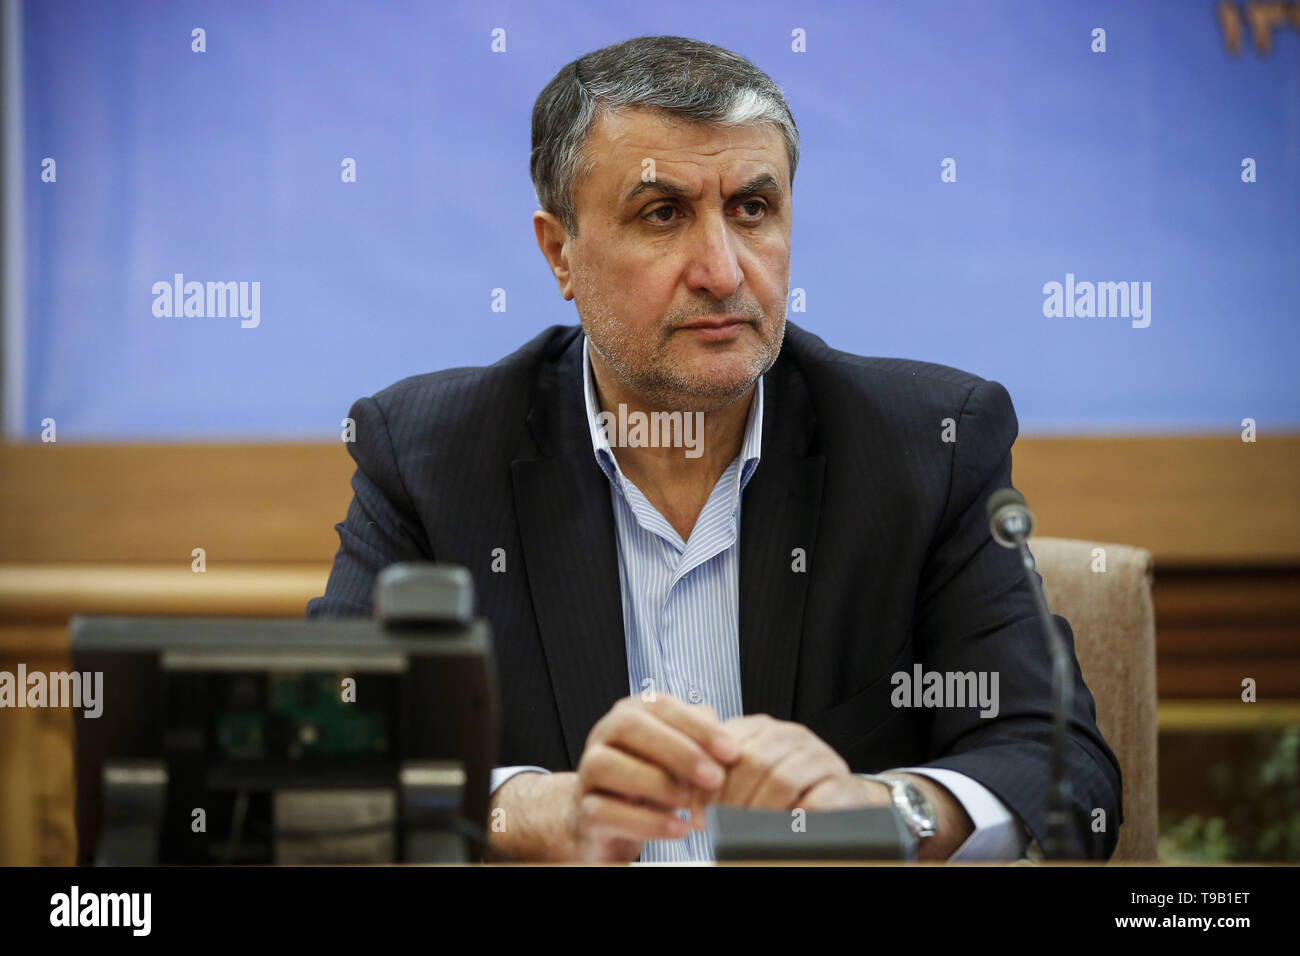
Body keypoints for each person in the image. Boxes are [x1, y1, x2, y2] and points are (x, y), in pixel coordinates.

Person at [307, 35, 1122, 863]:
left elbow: (1064, 773)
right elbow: (315, 757)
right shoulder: (432, 456)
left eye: (752, 210)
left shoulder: (927, 445)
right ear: (560, 252)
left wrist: (883, 807)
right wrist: (532, 809)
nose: (723, 270)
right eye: (663, 214)